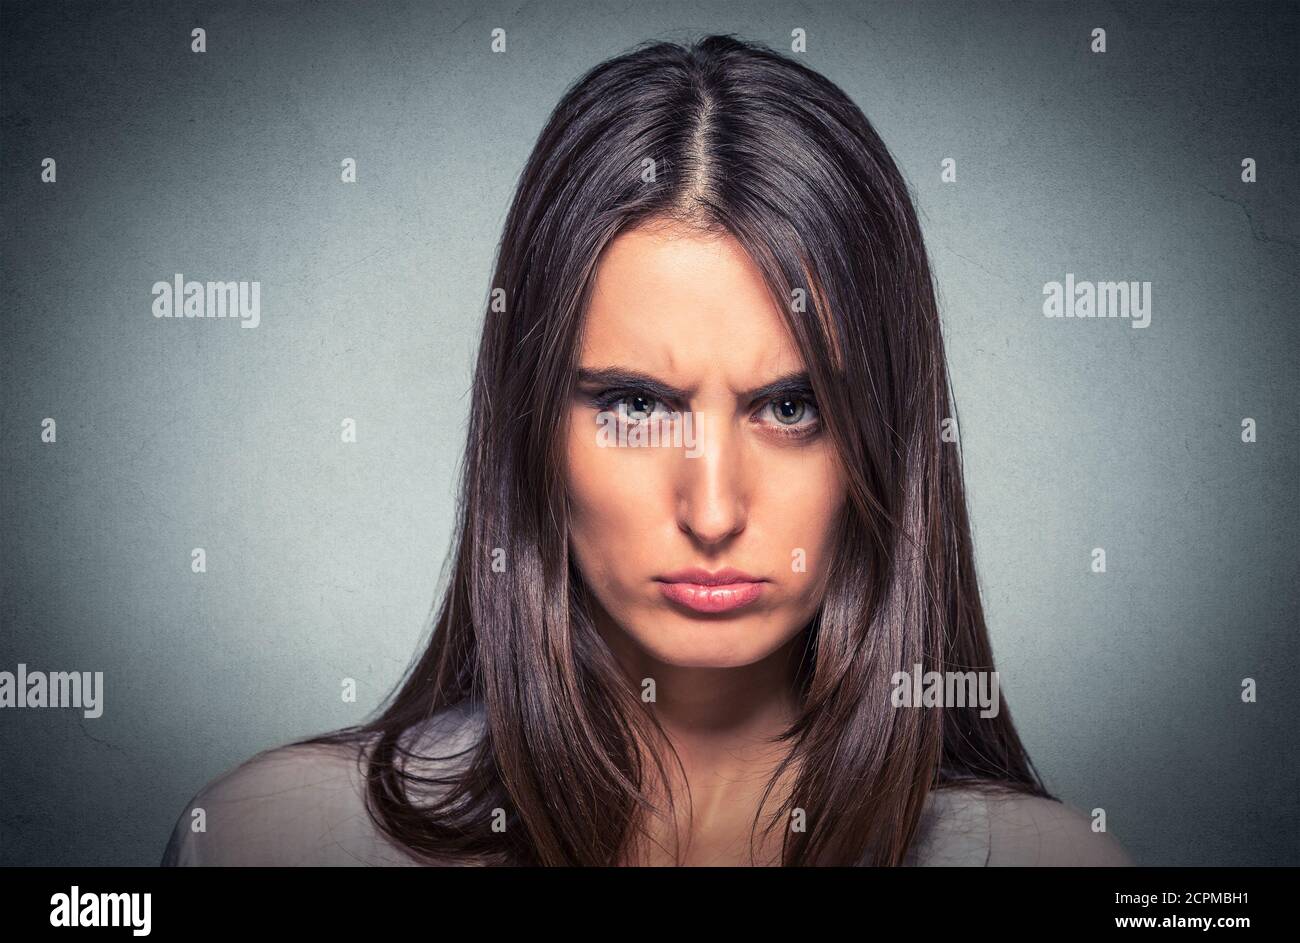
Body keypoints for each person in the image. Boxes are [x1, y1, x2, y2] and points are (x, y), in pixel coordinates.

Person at [163, 34, 1131, 867]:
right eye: (634, 402)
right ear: (531, 425)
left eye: (791, 406)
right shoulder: (279, 838)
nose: (712, 510)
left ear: (883, 441)